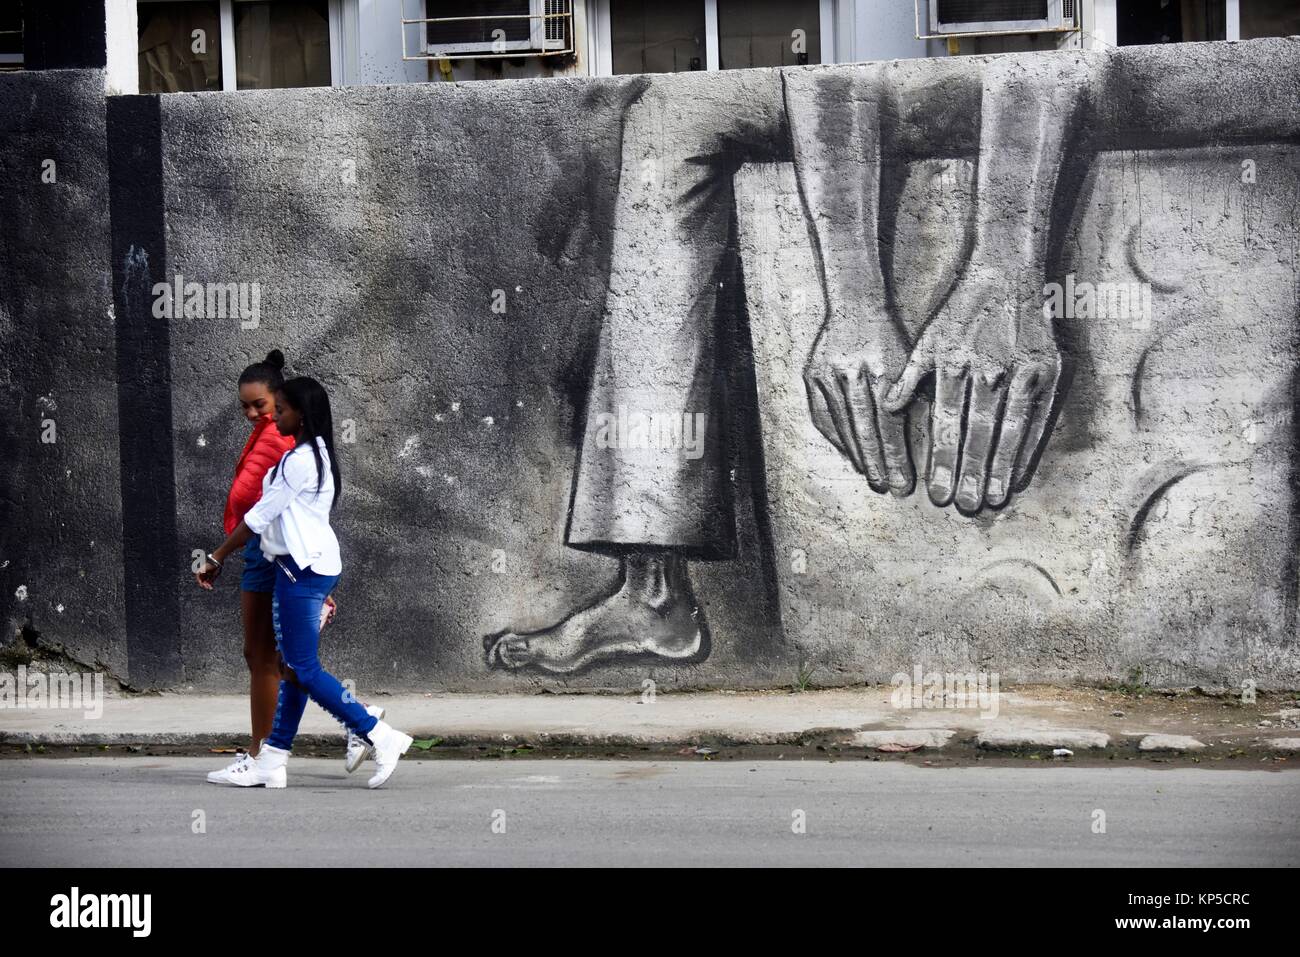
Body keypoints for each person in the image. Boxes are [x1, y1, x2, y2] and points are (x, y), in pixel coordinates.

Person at [195, 375, 413, 788]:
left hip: (304, 570)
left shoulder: (299, 461)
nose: (274, 417)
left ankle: (379, 734)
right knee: (290, 667)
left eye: (281, 410)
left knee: (301, 667)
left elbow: (258, 518)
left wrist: (217, 556)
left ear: (302, 414)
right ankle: (272, 760)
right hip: (309, 567)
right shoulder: (314, 455)